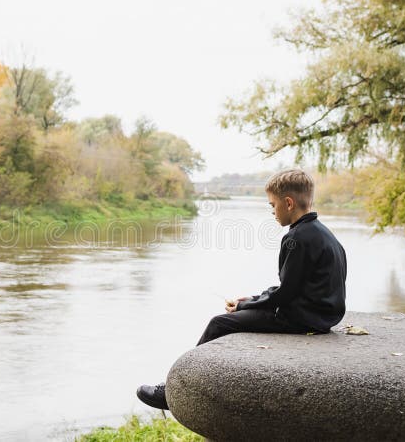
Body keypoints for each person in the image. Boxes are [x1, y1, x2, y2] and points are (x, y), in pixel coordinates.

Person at [136, 168, 347, 410]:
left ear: (288, 203)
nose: (272, 212)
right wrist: (254, 299)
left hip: (304, 318)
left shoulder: (296, 238)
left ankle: (175, 391)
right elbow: (295, 286)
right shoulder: (324, 234)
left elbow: (286, 294)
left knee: (219, 323)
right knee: (236, 314)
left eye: (273, 205)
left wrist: (244, 305)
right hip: (324, 316)